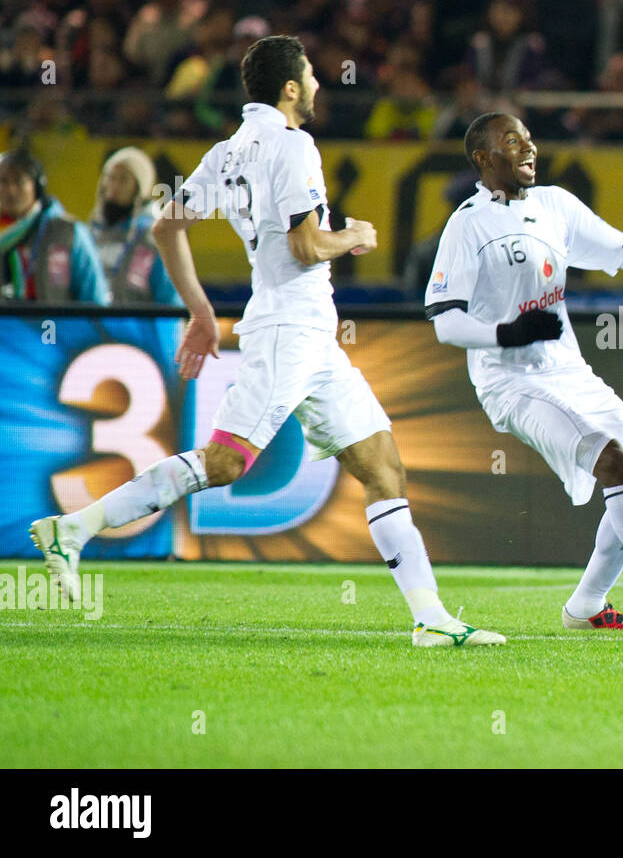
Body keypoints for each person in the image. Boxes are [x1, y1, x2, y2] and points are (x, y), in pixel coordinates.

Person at [29, 35, 503, 647]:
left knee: (383, 464)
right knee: (224, 463)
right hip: (289, 332)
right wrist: (354, 235)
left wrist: (201, 313)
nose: (318, 87)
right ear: (289, 87)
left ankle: (431, 621)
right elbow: (307, 247)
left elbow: (167, 226)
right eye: (310, 76)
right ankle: (76, 529)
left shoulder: (226, 153)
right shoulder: (293, 145)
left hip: (308, 337)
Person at [425, 112, 623, 638]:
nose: (528, 148)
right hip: (510, 380)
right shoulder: (467, 223)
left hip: (568, 369)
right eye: (512, 141)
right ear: (482, 158)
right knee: (611, 461)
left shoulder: (554, 205)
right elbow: (445, 320)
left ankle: (586, 605)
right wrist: (508, 334)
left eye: (529, 138)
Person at [0, 150, 109, 304]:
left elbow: (94, 295)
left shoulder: (67, 231)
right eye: (3, 181)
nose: (10, 190)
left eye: (19, 181)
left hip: (56, 327)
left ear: (36, 186)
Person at [88, 146, 182, 305]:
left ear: (139, 187)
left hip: (139, 328)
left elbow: (170, 299)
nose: (114, 186)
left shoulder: (155, 236)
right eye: (111, 178)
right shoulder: (92, 231)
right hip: (95, 328)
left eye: (123, 179)